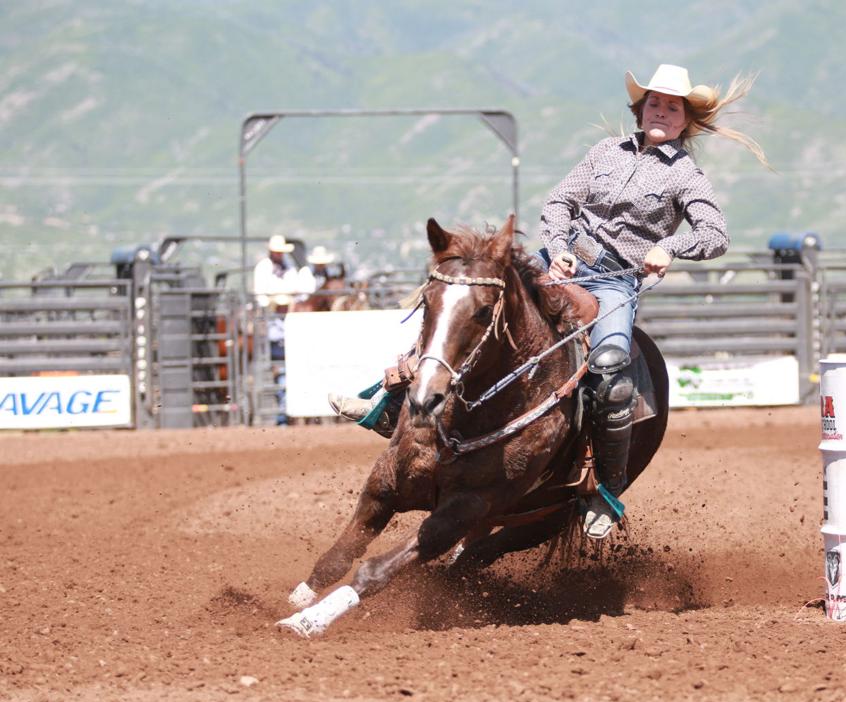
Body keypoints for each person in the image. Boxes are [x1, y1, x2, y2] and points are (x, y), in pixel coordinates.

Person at [331, 63, 768, 538]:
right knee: (475, 303)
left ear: (686, 119)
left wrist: (671, 247)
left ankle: (605, 486)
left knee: (611, 366)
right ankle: (391, 404)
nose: (661, 112)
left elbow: (715, 234)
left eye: (672, 106)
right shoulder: (605, 152)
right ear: (640, 110)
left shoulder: (687, 177)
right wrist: (558, 250)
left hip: (614, 283)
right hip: (559, 261)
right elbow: (560, 202)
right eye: (654, 103)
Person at [253, 234, 316, 424]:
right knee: (280, 370)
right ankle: (283, 414)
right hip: (272, 317)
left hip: (288, 315)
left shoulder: (287, 267)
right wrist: (272, 303)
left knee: (286, 371)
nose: (280, 255)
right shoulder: (264, 268)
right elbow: (261, 294)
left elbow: (297, 289)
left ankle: (285, 414)